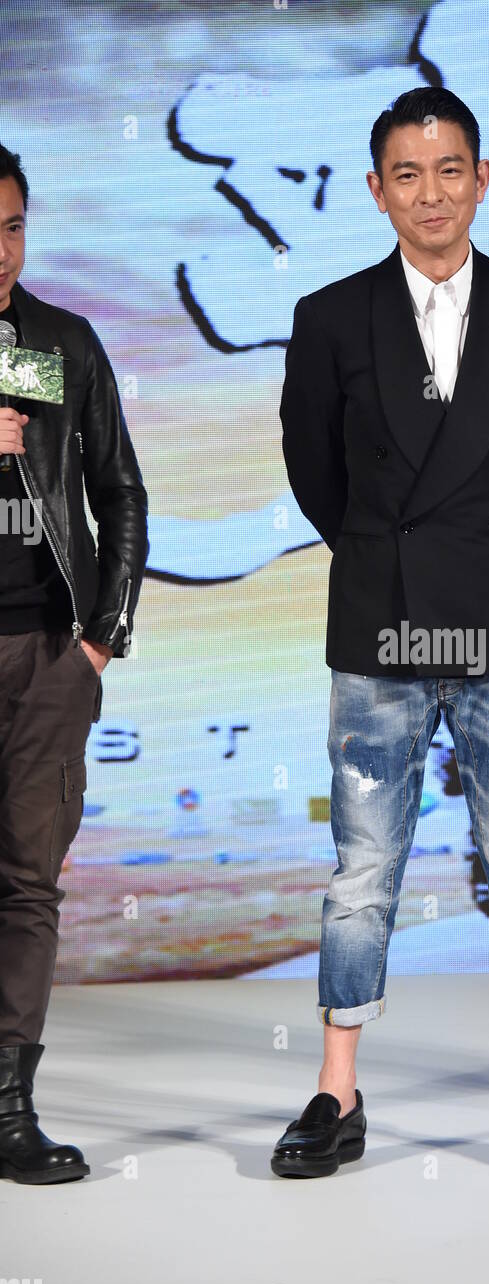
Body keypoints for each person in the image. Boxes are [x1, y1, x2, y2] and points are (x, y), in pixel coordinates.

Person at [275, 88, 489, 1177]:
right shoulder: (328, 317)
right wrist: (385, 553)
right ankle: (334, 1091)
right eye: (405, 175)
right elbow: (316, 475)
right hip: (379, 623)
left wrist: (483, 548)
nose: (429, 193)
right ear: (375, 191)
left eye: (448, 169)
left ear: (482, 179)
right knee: (362, 867)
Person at [0, 145, 148, 1184]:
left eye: (11, 228)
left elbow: (121, 491)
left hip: (50, 653)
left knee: (26, 882)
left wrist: (102, 638)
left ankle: (7, 1109)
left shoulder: (54, 342)